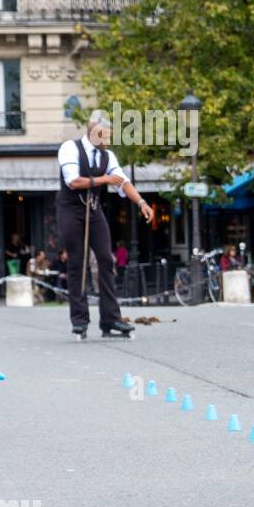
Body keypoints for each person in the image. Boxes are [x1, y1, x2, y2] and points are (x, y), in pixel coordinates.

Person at [56, 112, 153, 339]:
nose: (108, 142)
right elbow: (73, 181)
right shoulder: (69, 148)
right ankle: (79, 321)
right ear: (93, 133)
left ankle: (110, 320)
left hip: (93, 208)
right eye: (105, 137)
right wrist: (104, 180)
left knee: (106, 260)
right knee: (77, 263)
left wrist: (141, 202)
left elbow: (123, 181)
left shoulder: (107, 156)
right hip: (70, 209)